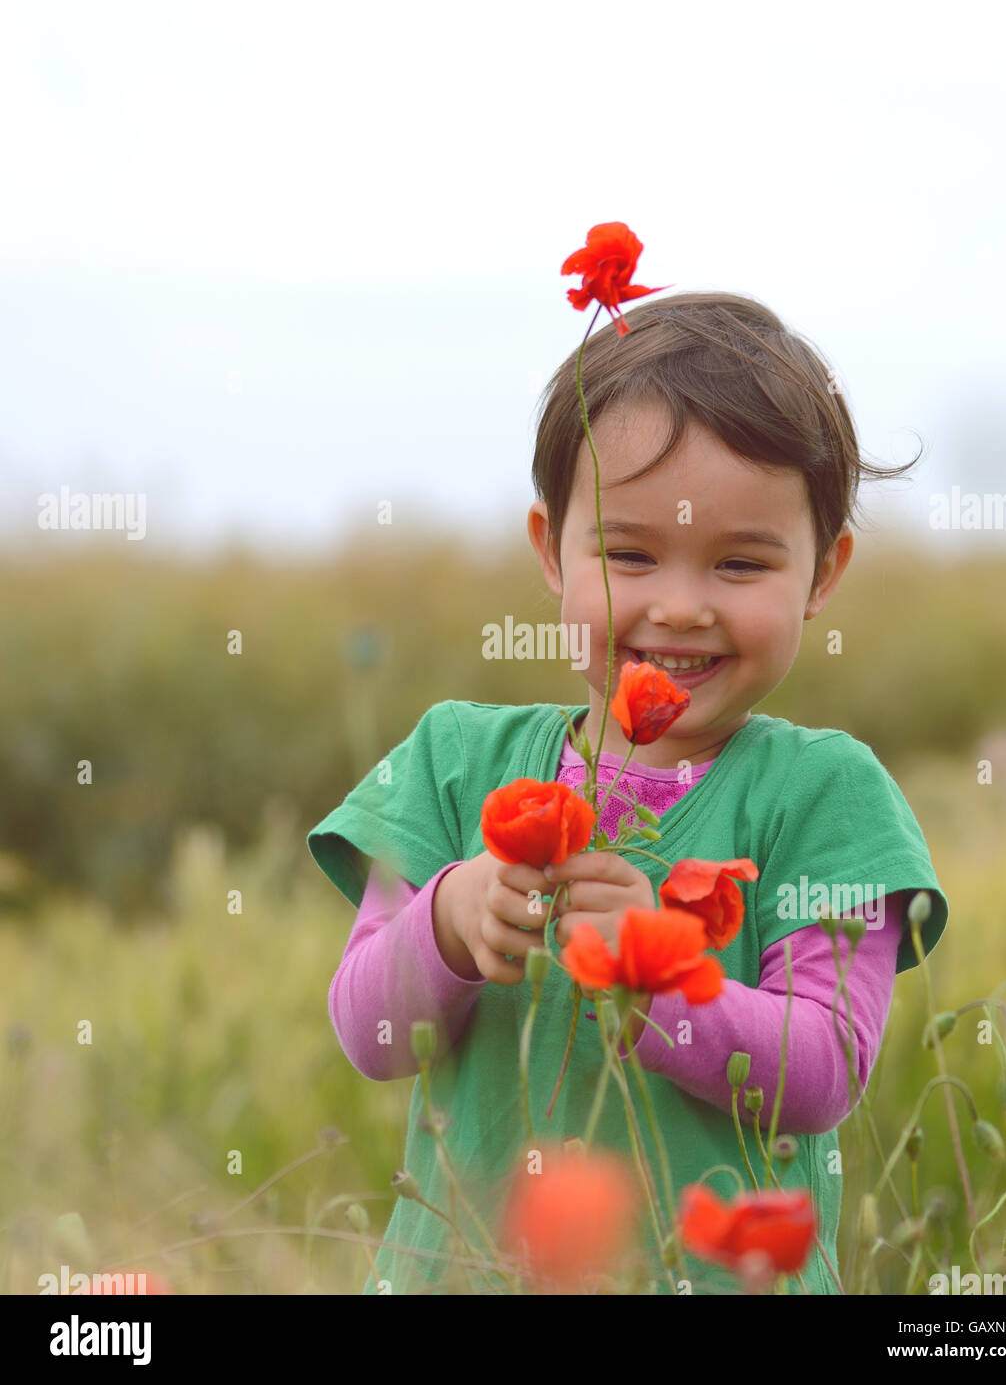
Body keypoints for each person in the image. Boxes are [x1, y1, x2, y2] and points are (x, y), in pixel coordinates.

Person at [307, 291, 949, 1295]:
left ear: (823, 573)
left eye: (740, 562)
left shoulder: (825, 796)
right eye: (629, 555)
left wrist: (656, 975)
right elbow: (371, 1034)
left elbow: (820, 1068)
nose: (679, 605)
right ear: (548, 547)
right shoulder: (453, 761)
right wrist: (446, 922)